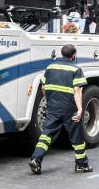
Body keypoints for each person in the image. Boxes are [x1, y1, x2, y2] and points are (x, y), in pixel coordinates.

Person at [29, 44, 93, 175]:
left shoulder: (50, 67)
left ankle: (36, 159)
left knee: (46, 134)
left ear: (62, 53)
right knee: (77, 137)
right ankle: (81, 165)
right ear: (73, 55)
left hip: (53, 107)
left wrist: (48, 100)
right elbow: (77, 90)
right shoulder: (76, 69)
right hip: (70, 109)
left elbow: (43, 87)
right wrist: (80, 109)